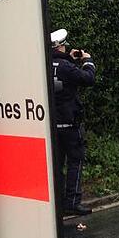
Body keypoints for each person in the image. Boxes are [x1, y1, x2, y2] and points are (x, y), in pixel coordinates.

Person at [51, 28, 96, 217]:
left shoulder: (45, 64)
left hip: (53, 125)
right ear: (61, 46)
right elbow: (88, 78)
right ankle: (73, 202)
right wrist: (87, 61)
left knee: (57, 166)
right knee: (75, 162)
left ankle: (59, 204)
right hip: (70, 124)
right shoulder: (66, 67)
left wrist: (69, 58)